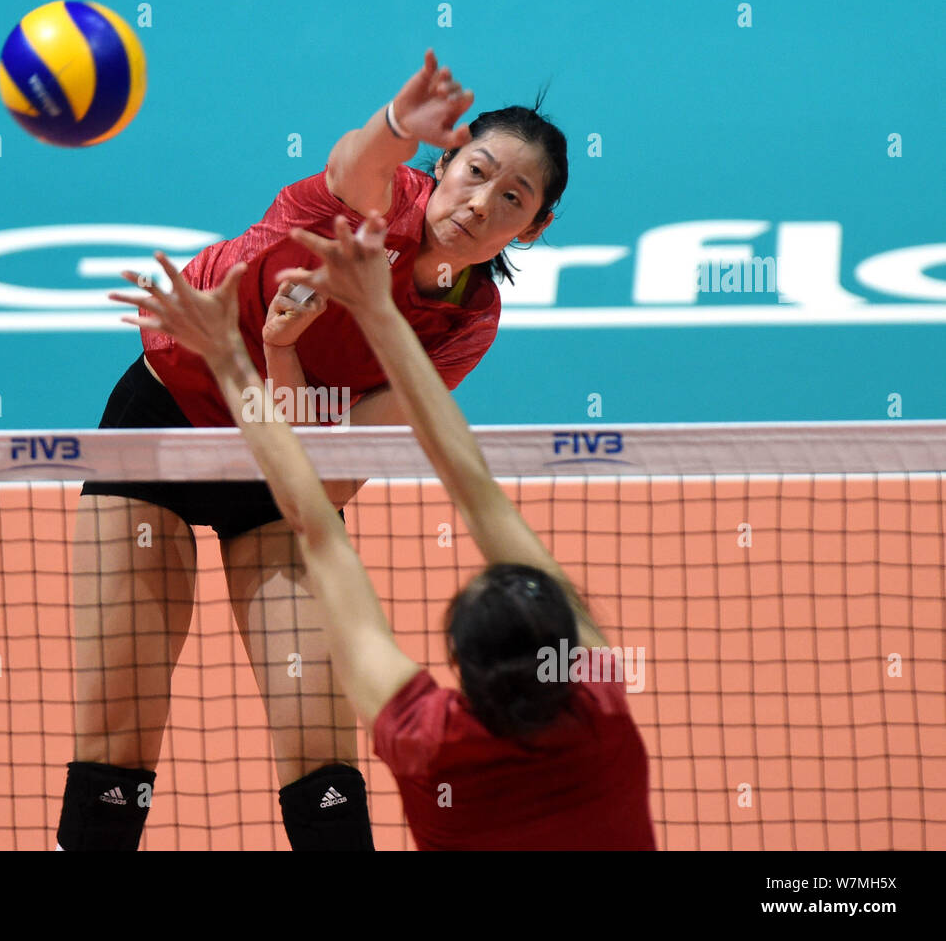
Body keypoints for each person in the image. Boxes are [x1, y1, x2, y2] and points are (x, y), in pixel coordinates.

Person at [58, 49, 569, 851]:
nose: (482, 202)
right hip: (165, 425)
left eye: (514, 197)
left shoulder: (468, 323)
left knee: (320, 744)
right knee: (120, 724)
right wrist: (397, 124)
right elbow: (354, 162)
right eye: (475, 171)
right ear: (441, 162)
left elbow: (332, 468)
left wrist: (282, 354)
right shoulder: (371, 204)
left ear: (534, 229)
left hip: (281, 477)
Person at [111, 210, 656, 850]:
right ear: (566, 650)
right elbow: (473, 493)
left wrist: (234, 360)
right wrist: (382, 315)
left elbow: (322, 527)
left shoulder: (429, 738)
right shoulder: (599, 707)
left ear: (460, 664)